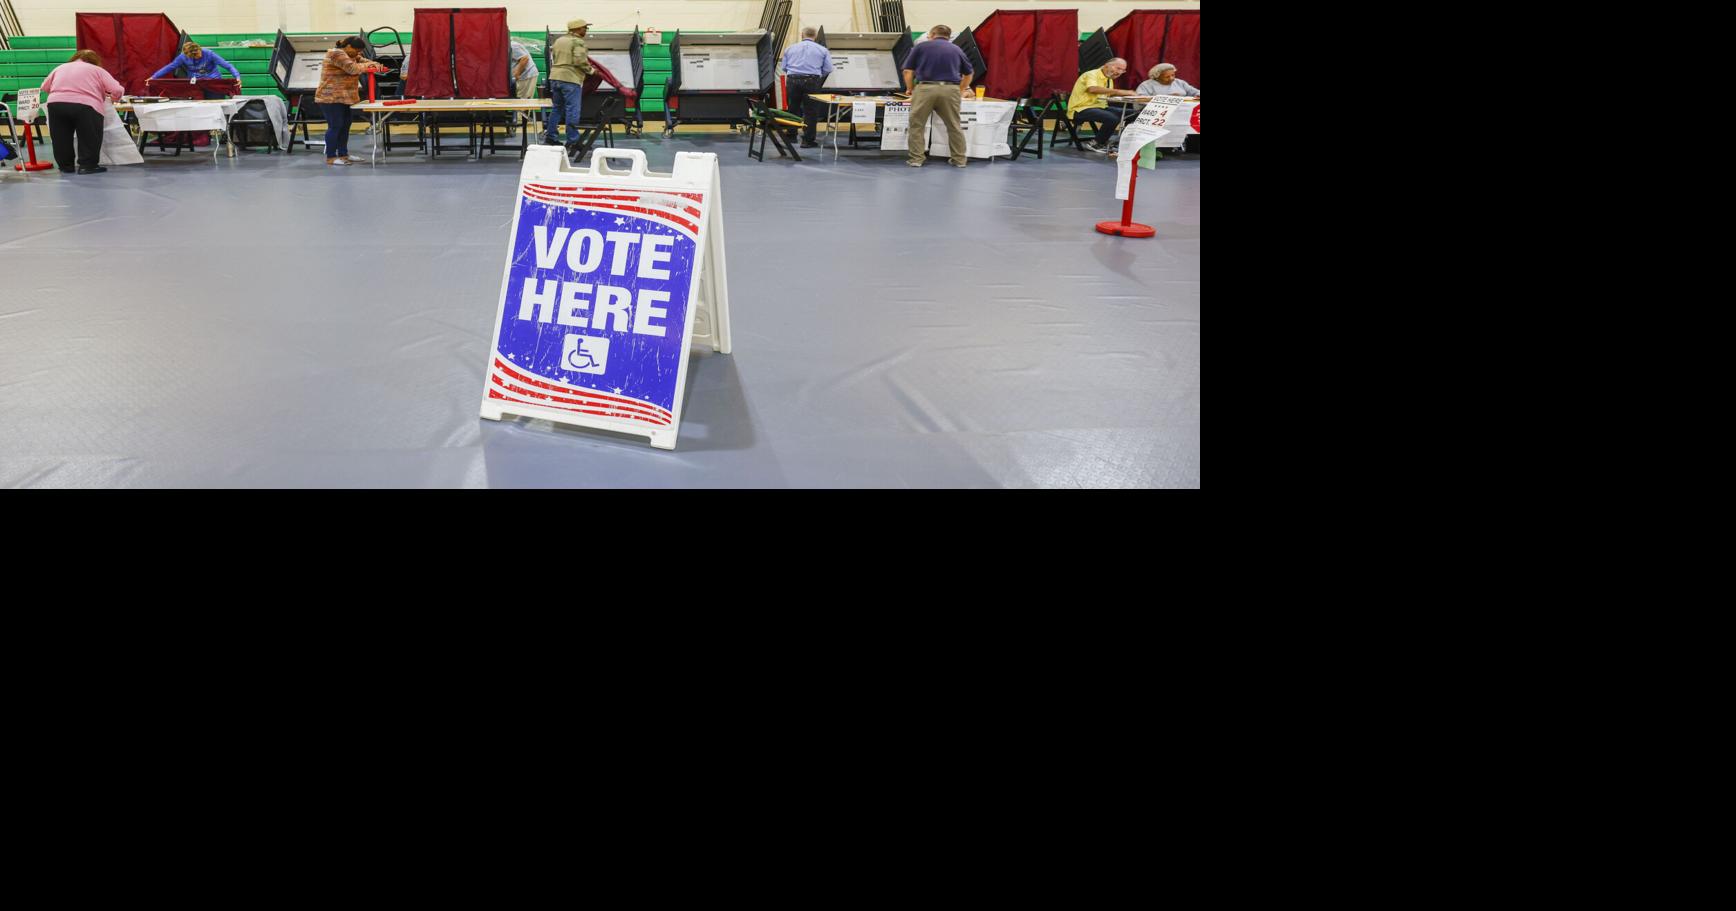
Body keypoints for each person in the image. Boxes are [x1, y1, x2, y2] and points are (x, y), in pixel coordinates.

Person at [40, 50, 125, 175]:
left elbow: (45, 87)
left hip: (56, 104)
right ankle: (87, 166)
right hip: (86, 105)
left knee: (60, 137)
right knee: (89, 136)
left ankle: (65, 166)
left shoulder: (60, 68)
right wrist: (114, 98)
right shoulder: (97, 70)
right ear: (95, 61)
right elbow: (117, 89)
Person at [899, 24, 973, 169]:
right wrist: (960, 89)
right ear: (948, 36)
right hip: (950, 89)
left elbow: (907, 71)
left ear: (932, 34)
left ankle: (916, 159)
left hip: (925, 88)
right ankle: (959, 160)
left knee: (917, 125)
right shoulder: (956, 49)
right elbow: (969, 73)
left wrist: (910, 89)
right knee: (954, 125)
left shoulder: (920, 47)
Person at [315, 36, 387, 166]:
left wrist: (375, 64)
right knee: (335, 126)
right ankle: (331, 157)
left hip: (345, 98)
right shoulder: (336, 54)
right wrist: (370, 66)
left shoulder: (351, 55)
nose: (359, 53)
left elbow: (365, 61)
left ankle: (343, 155)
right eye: (357, 50)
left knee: (345, 126)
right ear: (348, 46)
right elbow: (352, 69)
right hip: (330, 98)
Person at [546, 18, 596, 156]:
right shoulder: (578, 42)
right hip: (570, 79)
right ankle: (573, 140)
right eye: (585, 28)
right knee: (572, 110)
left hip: (555, 77)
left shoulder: (559, 40)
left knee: (557, 109)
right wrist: (592, 71)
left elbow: (555, 57)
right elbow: (580, 61)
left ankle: (551, 137)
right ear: (578, 29)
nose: (586, 30)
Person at [780, 27, 833, 149]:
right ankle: (807, 140)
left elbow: (784, 67)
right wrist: (817, 75)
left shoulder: (790, 48)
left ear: (801, 35)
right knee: (811, 111)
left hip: (793, 80)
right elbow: (828, 69)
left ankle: (791, 136)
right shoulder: (822, 50)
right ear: (815, 36)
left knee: (793, 108)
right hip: (812, 81)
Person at [152, 42, 243, 98]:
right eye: (195, 56)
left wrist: (237, 77)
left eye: (199, 53)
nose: (199, 56)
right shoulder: (182, 57)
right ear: (188, 56)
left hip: (213, 82)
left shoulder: (209, 53)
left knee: (216, 104)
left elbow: (228, 66)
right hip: (196, 84)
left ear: (199, 49)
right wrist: (154, 77)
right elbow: (170, 67)